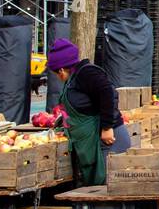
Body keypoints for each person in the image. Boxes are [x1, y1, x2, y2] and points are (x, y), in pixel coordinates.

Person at [46, 38, 129, 188]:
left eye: (57, 73)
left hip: (108, 141)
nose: (58, 78)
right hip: (93, 142)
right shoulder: (73, 79)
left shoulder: (87, 73)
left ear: (61, 69)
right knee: (96, 187)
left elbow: (108, 92)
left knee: (106, 187)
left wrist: (107, 127)